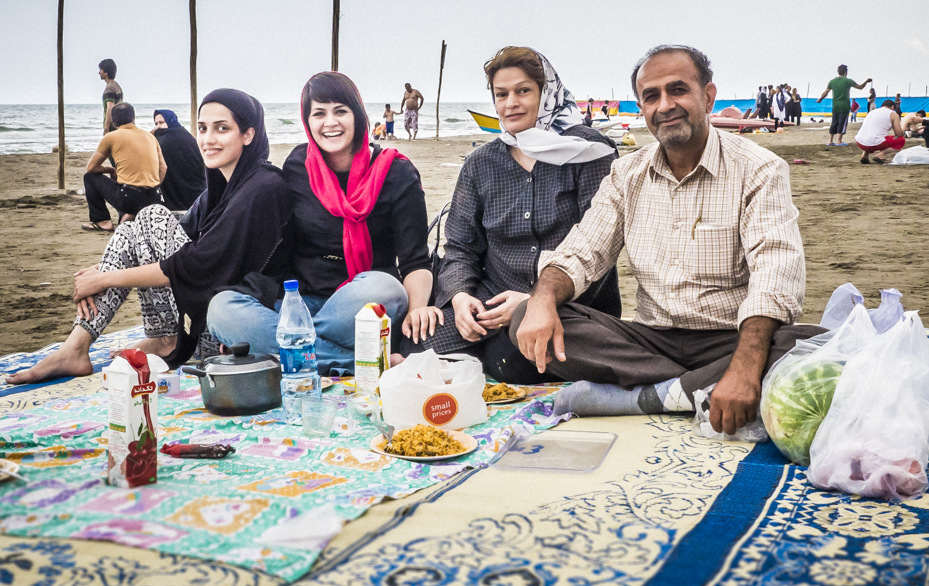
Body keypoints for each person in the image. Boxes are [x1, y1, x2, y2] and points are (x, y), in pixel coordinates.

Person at [511, 44, 824, 435]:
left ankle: (652, 395)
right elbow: (582, 251)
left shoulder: (759, 169)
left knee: (812, 344)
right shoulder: (626, 174)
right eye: (651, 96)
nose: (665, 106)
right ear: (642, 107)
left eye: (678, 90)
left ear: (707, 96)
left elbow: (774, 274)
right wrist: (542, 299)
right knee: (527, 314)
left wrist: (745, 367)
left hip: (730, 338)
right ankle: (692, 390)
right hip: (648, 342)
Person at [8, 90, 291, 383]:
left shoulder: (264, 187)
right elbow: (174, 241)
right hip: (206, 318)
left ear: (248, 134)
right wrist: (101, 271)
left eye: (222, 128)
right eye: (203, 128)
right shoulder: (221, 189)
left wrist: (104, 279)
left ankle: (165, 338)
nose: (208, 139)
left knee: (152, 214)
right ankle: (75, 347)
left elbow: (196, 264)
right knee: (130, 228)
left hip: (230, 332)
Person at [405, 47, 619, 383]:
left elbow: (601, 248)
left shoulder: (589, 152)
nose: (511, 104)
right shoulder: (480, 164)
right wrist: (461, 299)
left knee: (515, 358)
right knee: (413, 348)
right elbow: (460, 248)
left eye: (523, 91)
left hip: (572, 304)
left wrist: (535, 301)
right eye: (501, 94)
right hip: (492, 299)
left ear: (546, 93)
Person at [206, 72, 436, 374]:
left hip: (360, 305)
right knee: (221, 310)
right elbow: (281, 245)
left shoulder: (397, 172)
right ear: (307, 121)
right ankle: (360, 360)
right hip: (299, 302)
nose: (330, 123)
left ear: (358, 115)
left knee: (387, 289)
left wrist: (417, 309)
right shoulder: (297, 166)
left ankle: (281, 350)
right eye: (319, 114)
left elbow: (416, 261)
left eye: (340, 111)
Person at [82, 104, 165, 233]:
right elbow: (163, 167)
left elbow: (91, 167)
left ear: (114, 122)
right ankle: (133, 213)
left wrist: (110, 170)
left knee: (89, 177)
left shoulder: (110, 137)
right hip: (155, 198)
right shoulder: (151, 137)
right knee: (127, 184)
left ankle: (103, 221)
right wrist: (152, 186)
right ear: (133, 119)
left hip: (129, 198)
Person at [153, 110, 206, 212]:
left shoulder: (162, 141)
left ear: (170, 121)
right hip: (197, 192)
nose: (158, 127)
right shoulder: (186, 135)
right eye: (156, 124)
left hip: (176, 194)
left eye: (161, 122)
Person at [818, 65, 872, 148]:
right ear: (846, 72)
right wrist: (866, 81)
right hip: (844, 106)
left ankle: (830, 141)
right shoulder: (848, 81)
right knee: (842, 123)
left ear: (838, 72)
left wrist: (820, 99)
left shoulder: (832, 81)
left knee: (834, 122)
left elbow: (826, 92)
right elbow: (860, 87)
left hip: (835, 105)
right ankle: (839, 141)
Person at [99, 59, 123, 135]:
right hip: (118, 125)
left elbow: (110, 108)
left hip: (112, 127)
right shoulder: (116, 86)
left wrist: (106, 128)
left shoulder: (110, 88)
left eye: (101, 70)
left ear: (106, 72)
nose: (99, 72)